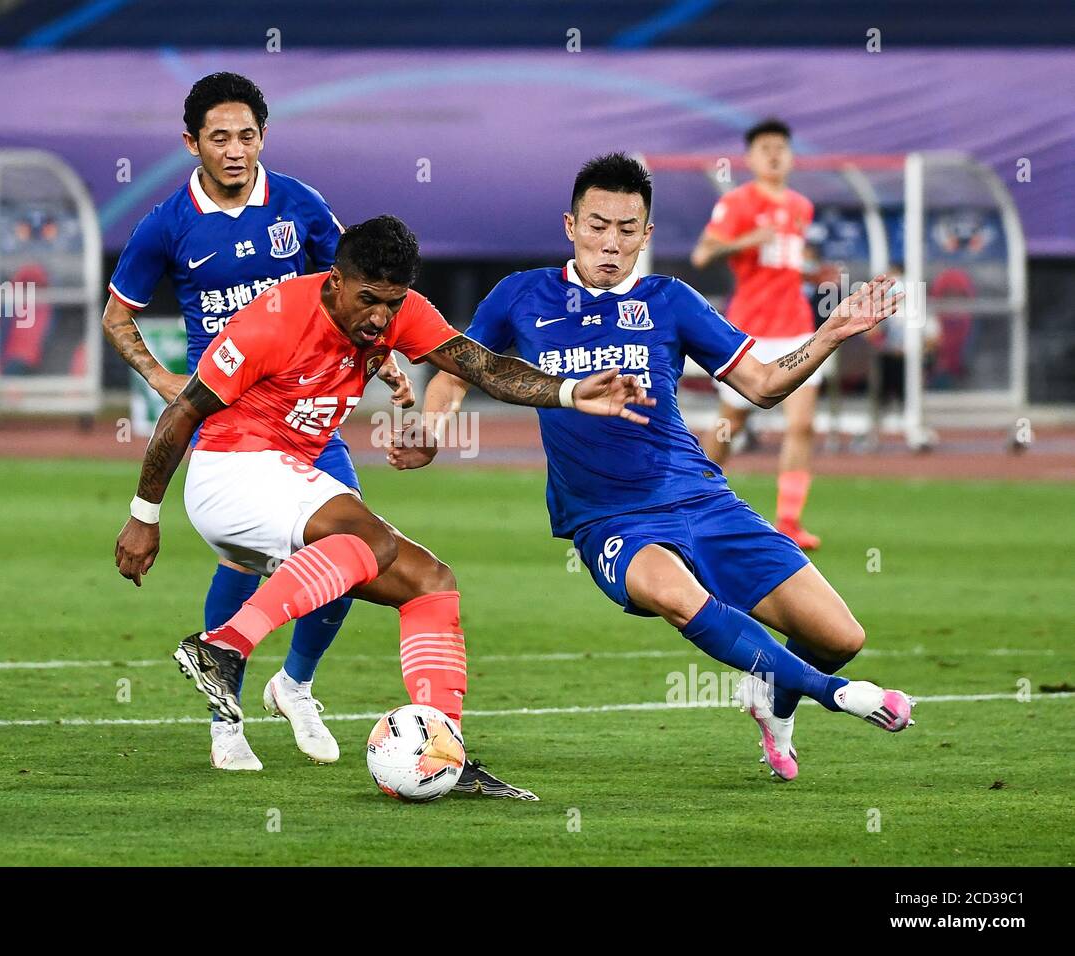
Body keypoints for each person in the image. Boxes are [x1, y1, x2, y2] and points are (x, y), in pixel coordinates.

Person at [399, 154, 916, 782]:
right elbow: (460, 369)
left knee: (839, 638)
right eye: (597, 226)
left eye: (626, 229)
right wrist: (429, 429)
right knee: (674, 594)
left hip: (701, 499)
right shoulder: (521, 295)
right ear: (570, 225)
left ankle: (776, 695)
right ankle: (838, 695)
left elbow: (762, 385)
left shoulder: (671, 301)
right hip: (607, 518)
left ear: (646, 235)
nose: (610, 243)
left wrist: (830, 335)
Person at [113, 214, 649, 799]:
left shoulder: (403, 314)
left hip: (293, 474)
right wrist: (144, 515)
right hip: (229, 472)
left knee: (431, 581)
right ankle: (224, 647)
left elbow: (486, 368)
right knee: (371, 542)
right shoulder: (273, 320)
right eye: (368, 300)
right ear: (336, 281)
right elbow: (183, 411)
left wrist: (571, 391)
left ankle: (445, 751)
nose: (379, 319)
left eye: (391, 304)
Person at [102, 72, 415, 771]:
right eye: (219, 138)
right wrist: (163, 381)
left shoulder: (301, 206)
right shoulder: (167, 224)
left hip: (307, 413)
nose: (235, 150)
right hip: (228, 419)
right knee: (239, 559)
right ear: (191, 144)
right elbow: (117, 314)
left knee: (353, 551)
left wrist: (381, 354)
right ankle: (225, 720)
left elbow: (358, 292)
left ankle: (295, 685)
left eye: (247, 135)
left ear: (263, 137)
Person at [691, 118, 831, 550]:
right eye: (765, 147)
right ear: (750, 158)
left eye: (781, 147)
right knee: (731, 424)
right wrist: (748, 238)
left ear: (791, 155)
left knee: (803, 424)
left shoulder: (801, 207)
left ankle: (788, 521)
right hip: (750, 330)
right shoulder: (738, 203)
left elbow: (790, 262)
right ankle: (693, 501)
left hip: (796, 327)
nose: (774, 154)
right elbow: (702, 254)